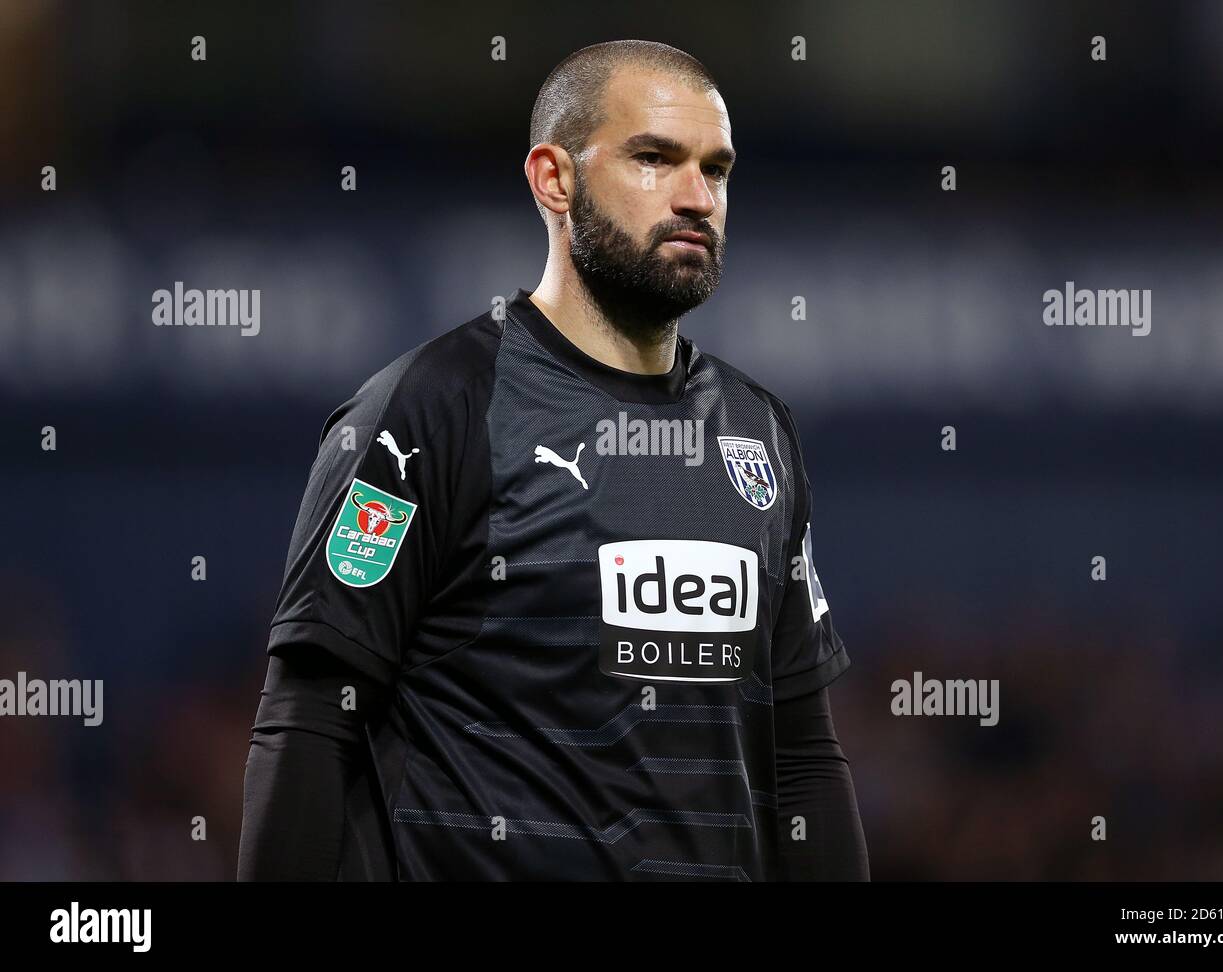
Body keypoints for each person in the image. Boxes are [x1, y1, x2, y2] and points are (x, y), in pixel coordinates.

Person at [238, 39, 869, 881]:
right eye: (654, 158)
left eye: (716, 171)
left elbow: (802, 755)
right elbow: (310, 722)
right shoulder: (431, 410)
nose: (696, 197)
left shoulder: (756, 432)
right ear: (554, 179)